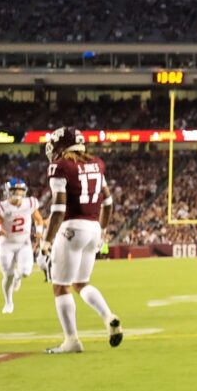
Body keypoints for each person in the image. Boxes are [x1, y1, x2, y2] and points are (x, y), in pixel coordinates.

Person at [37, 127, 123, 354]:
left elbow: (58, 209)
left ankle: (71, 339)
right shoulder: (97, 163)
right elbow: (108, 203)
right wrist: (102, 231)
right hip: (93, 228)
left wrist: (45, 244)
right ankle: (108, 316)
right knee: (81, 283)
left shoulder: (61, 167)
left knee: (60, 286)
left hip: (71, 228)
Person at [0, 177, 42, 315]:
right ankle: (8, 302)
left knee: (26, 272)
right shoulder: (1, 206)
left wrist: (39, 232)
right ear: (8, 191)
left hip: (23, 243)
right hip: (6, 244)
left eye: (21, 190)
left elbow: (38, 219)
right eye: (15, 190)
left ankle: (18, 277)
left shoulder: (30, 203)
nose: (18, 193)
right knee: (7, 276)